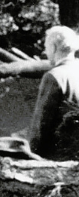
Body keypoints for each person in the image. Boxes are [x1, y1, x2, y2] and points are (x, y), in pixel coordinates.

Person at [25, 25, 79, 160]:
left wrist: (30, 154)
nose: (45, 52)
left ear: (54, 47)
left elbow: (41, 125)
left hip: (59, 155)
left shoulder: (54, 76)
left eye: (46, 47)